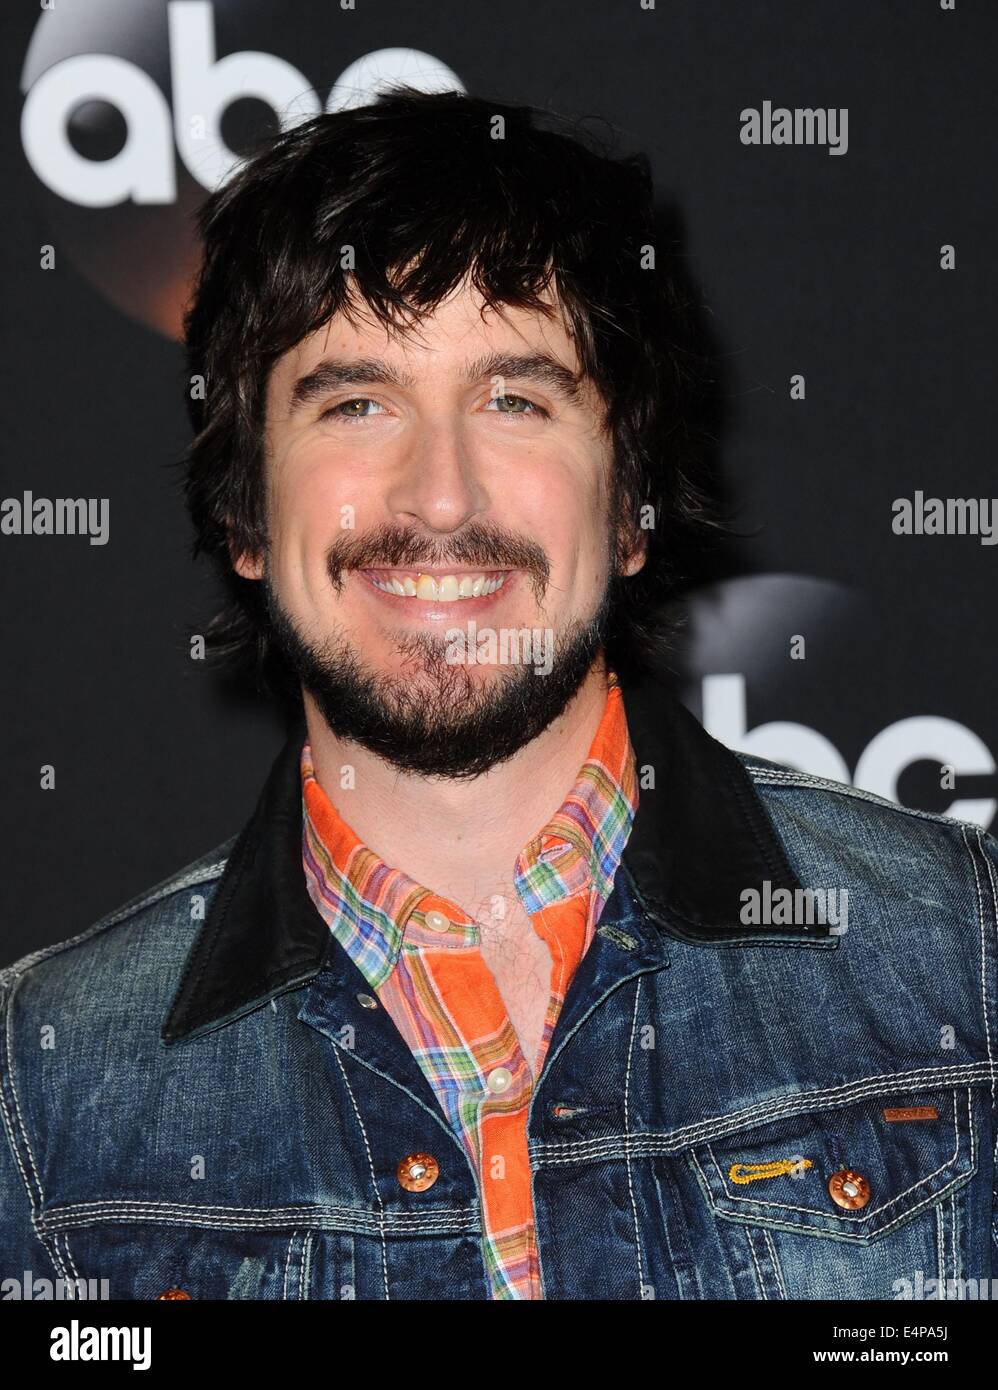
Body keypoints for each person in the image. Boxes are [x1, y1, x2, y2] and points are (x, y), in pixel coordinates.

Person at [2, 88, 995, 1303]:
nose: (436, 496)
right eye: (356, 402)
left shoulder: (964, 960)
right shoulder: (45, 1094)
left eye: (516, 399)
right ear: (246, 514)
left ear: (630, 503)